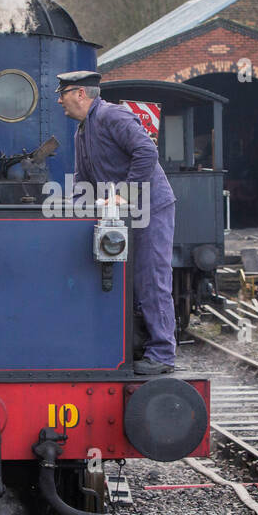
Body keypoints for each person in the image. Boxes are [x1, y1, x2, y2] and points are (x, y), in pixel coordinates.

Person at [56, 70, 177, 374]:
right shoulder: (82, 131)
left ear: (80, 94)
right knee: (129, 282)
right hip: (124, 214)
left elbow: (146, 152)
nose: (59, 101)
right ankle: (135, 345)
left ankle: (162, 354)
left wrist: (125, 193)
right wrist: (65, 212)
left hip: (151, 207)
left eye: (63, 94)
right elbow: (83, 181)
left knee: (151, 277)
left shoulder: (113, 116)